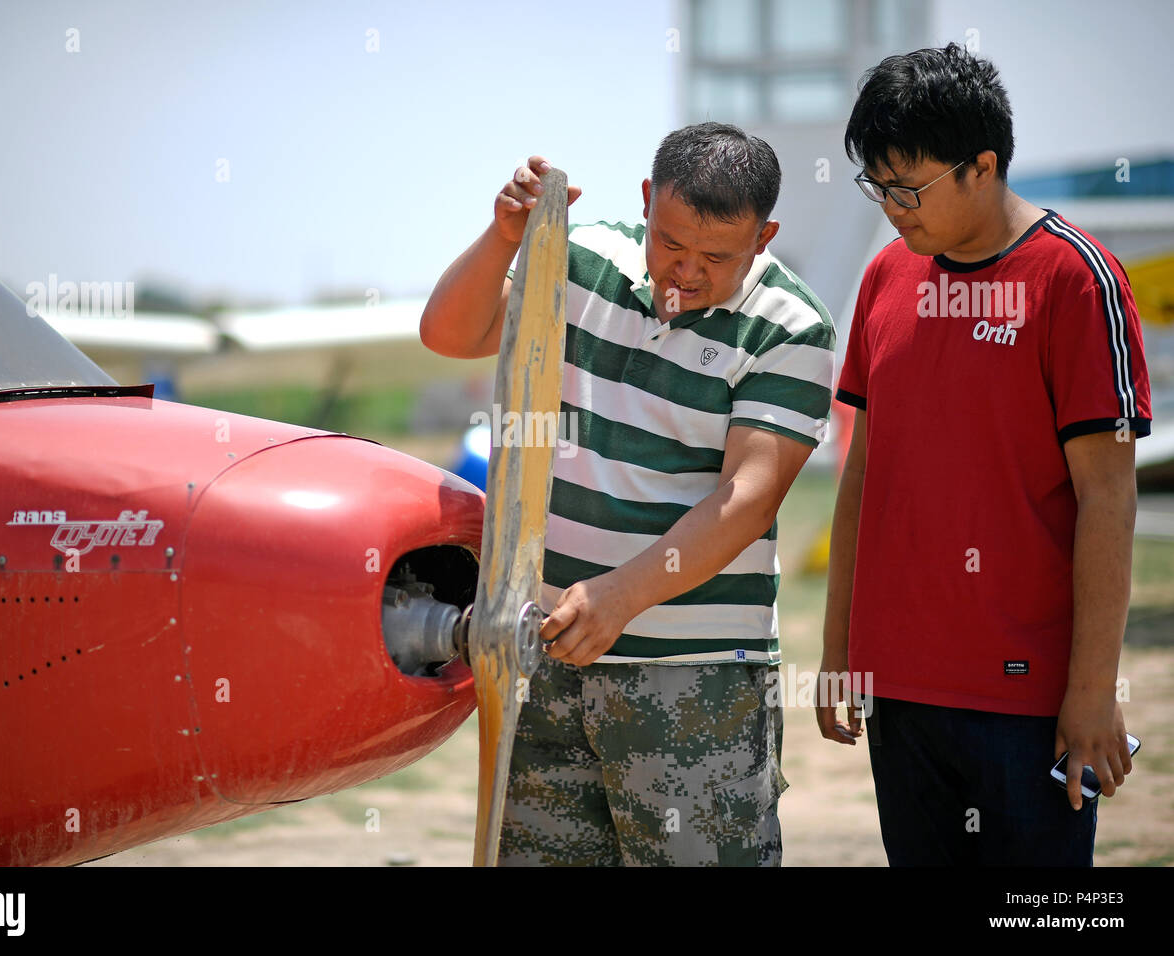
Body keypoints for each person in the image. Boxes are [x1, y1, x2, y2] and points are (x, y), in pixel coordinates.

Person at [420, 122, 835, 865]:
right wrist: (504, 236)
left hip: (695, 684)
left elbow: (749, 497)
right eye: (671, 242)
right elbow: (450, 333)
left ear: (765, 234)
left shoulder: (792, 327)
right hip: (546, 658)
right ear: (646, 201)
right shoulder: (579, 260)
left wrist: (621, 597)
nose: (686, 270)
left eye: (717, 256)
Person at [816, 44, 1151, 866]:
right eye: (877, 186)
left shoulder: (1078, 282)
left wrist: (1090, 693)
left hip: (1029, 699)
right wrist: (837, 654)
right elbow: (863, 470)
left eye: (910, 187)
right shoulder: (885, 278)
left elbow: (1109, 498)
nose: (892, 208)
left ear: (984, 165)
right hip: (901, 690)